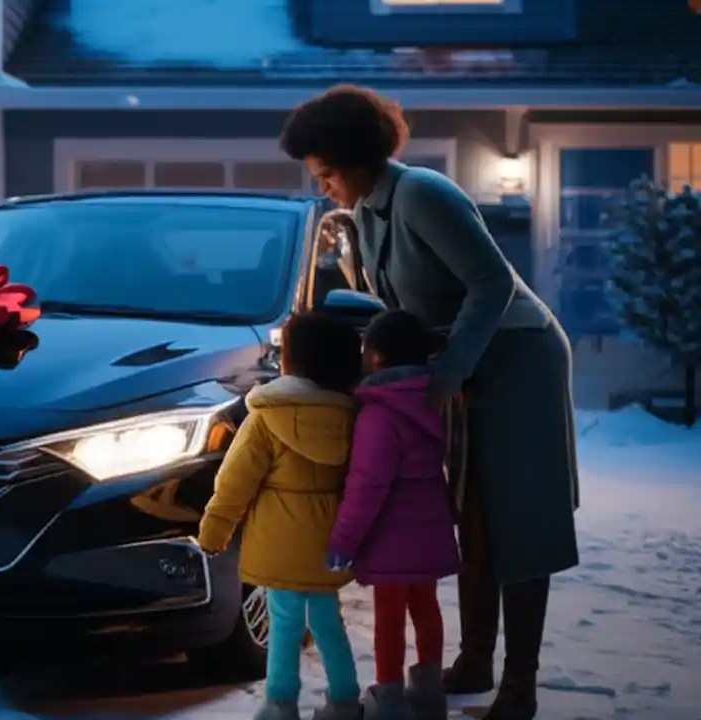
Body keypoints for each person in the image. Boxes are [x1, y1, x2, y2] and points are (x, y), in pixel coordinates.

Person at [280, 84, 580, 720]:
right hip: (457, 364)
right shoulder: (364, 214)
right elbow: (395, 310)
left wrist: (447, 373)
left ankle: (519, 688)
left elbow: (492, 283)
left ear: (358, 158)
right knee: (469, 514)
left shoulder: (421, 194)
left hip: (515, 356)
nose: (323, 185)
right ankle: (474, 660)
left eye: (327, 172)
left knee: (516, 517)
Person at [197, 313, 363, 720]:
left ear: (290, 361)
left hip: (278, 540)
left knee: (284, 623)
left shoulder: (268, 415)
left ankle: (280, 703)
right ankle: (344, 700)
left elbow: (234, 481)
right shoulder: (352, 416)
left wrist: (214, 531)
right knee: (328, 622)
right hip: (329, 541)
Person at [327, 310, 462, 720]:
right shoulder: (436, 401)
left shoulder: (379, 416)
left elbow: (367, 485)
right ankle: (428, 691)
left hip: (390, 536)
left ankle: (388, 697)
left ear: (378, 357)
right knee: (426, 609)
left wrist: (343, 541)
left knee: (389, 618)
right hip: (430, 528)